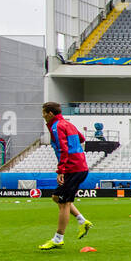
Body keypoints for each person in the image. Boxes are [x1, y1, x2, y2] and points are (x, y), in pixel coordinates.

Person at [38, 101, 92, 249]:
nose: (42, 116)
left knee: (64, 203)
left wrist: (61, 170)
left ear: (50, 113)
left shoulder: (57, 126)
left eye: (43, 113)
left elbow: (63, 149)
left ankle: (58, 239)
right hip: (78, 166)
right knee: (57, 197)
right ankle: (82, 221)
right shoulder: (67, 124)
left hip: (73, 168)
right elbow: (81, 138)